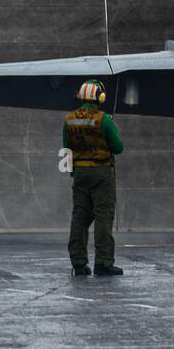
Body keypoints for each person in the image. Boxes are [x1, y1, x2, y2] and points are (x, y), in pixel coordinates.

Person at [63, 79, 125, 276]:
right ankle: (103, 262)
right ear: (100, 97)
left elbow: (66, 150)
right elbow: (118, 147)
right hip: (101, 173)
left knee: (79, 217)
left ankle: (79, 263)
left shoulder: (69, 120)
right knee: (103, 216)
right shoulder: (103, 119)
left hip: (80, 173)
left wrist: (74, 173)